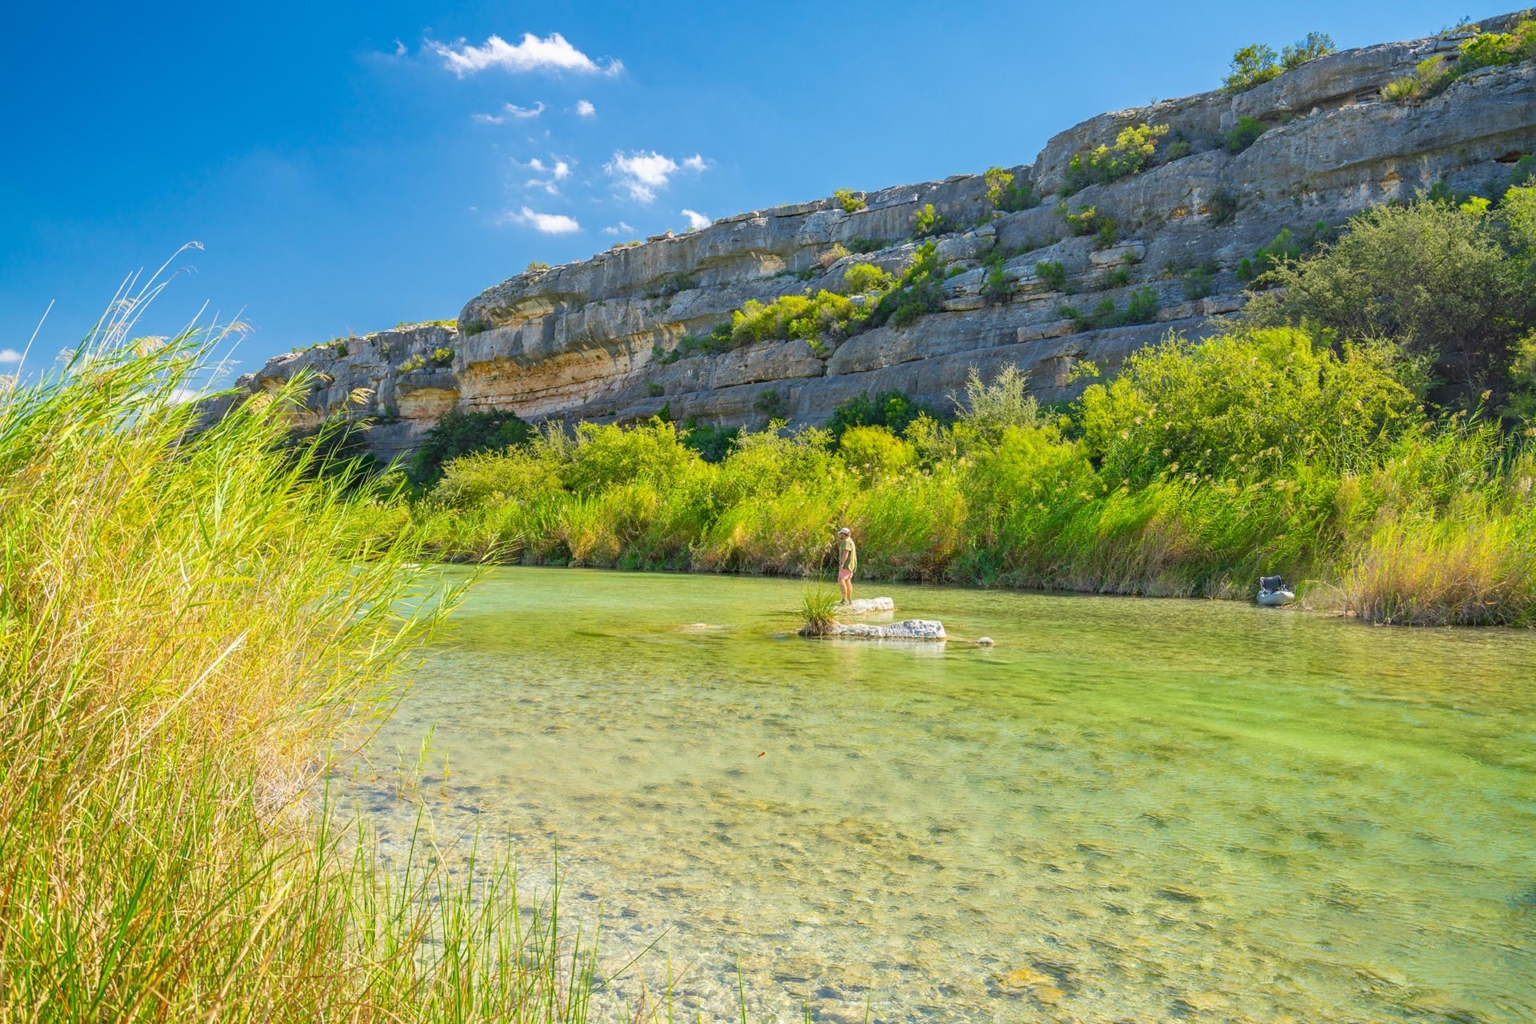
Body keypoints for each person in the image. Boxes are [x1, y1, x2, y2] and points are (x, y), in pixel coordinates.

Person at [835, 527, 858, 603]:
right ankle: (849, 599)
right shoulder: (850, 541)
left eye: (840, 534)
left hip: (846, 565)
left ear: (843, 534)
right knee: (847, 581)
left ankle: (844, 599)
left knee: (841, 580)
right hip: (851, 565)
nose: (839, 536)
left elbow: (846, 552)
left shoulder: (846, 541)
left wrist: (842, 563)